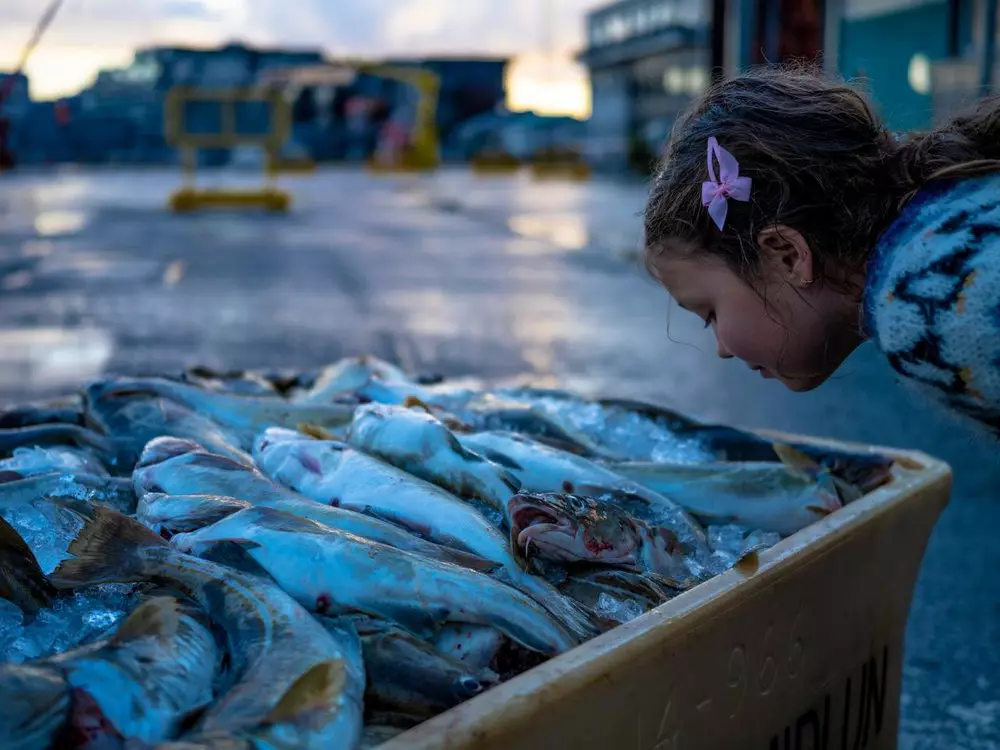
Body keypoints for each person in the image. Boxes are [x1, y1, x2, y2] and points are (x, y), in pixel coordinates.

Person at [643, 66, 1000, 432]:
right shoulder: (946, 219)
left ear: (787, 254)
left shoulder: (932, 305)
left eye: (710, 313)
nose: (722, 347)